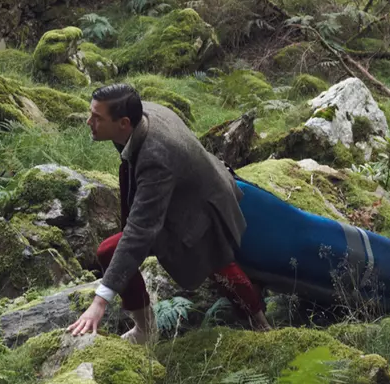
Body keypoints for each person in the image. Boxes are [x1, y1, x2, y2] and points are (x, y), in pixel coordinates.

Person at [67, 83, 271, 342]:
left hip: (202, 206)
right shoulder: (140, 116)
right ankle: (146, 329)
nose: (88, 121)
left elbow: (140, 232)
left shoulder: (155, 156)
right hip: (184, 191)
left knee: (218, 262)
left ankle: (261, 327)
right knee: (116, 251)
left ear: (123, 123)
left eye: (97, 118)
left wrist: (100, 301)